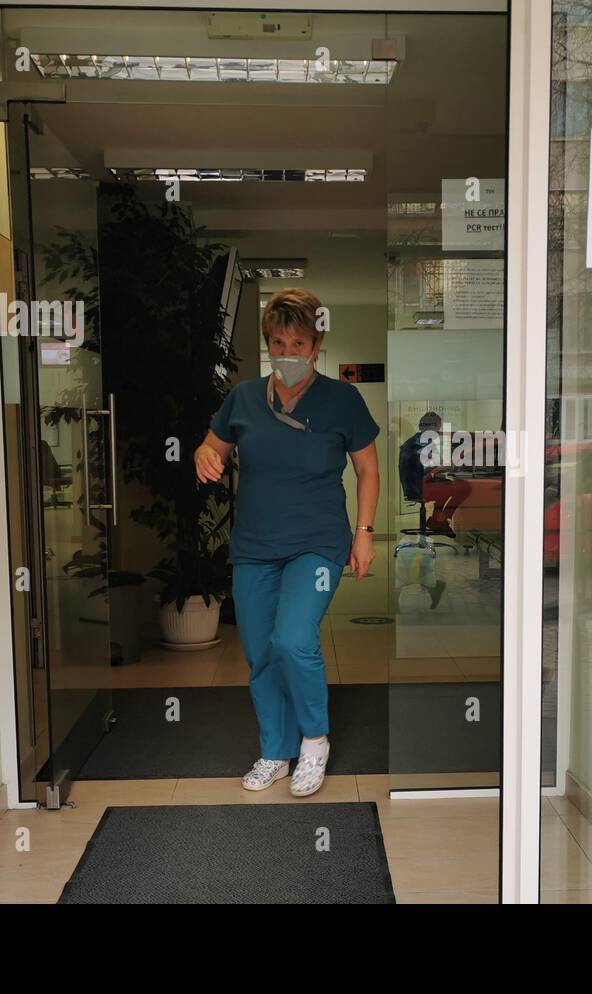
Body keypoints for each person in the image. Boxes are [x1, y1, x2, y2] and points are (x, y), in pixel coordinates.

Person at [195, 288, 380, 797]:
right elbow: (213, 444)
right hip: (255, 545)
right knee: (259, 652)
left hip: (318, 543)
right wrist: (203, 456)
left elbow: (367, 470)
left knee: (293, 640)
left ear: (316, 346)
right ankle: (276, 750)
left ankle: (315, 741)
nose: (289, 353)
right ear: (268, 345)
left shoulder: (342, 400)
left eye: (299, 343)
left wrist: (364, 535)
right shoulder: (245, 399)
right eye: (279, 342)